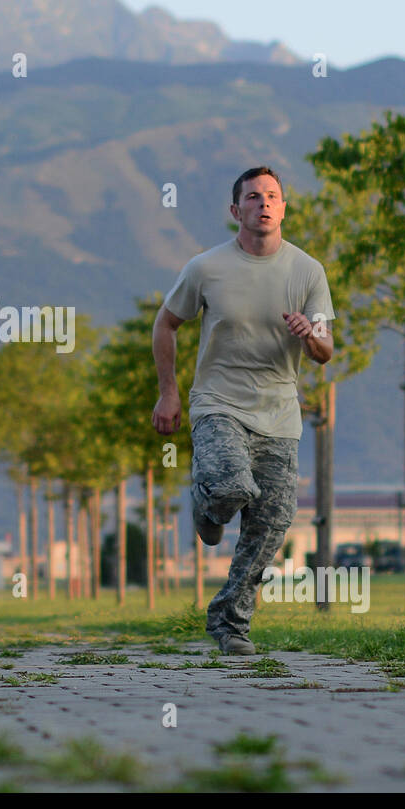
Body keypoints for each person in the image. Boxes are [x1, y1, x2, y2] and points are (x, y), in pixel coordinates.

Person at [151, 167, 334, 655]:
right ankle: (208, 502)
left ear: (284, 207)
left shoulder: (307, 271)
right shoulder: (206, 267)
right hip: (218, 404)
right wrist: (168, 392)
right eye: (253, 197)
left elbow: (326, 351)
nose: (264, 204)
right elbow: (166, 324)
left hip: (279, 413)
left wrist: (309, 334)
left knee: (271, 521)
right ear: (236, 211)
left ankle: (230, 622)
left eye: (272, 196)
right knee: (232, 485)